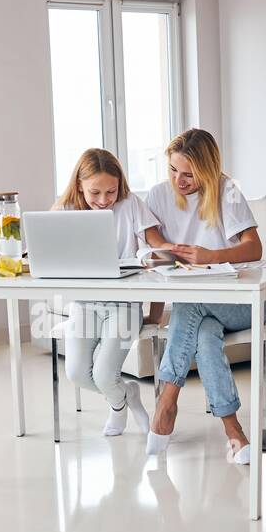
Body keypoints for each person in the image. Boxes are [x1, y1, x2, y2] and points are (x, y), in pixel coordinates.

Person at [143, 129, 266, 463]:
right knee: (205, 333)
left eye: (188, 173)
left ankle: (166, 403)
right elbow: (152, 241)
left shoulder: (226, 191)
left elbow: (255, 247)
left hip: (245, 303)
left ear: (207, 169)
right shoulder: (157, 196)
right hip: (203, 312)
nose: (178, 181)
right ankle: (234, 432)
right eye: (172, 170)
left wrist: (209, 256)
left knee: (188, 301)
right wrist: (163, 249)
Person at [54, 149, 164, 436]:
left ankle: (117, 408)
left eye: (110, 191)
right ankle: (127, 395)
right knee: (76, 373)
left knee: (104, 375)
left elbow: (159, 247)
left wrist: (152, 257)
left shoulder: (130, 204)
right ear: (79, 185)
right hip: (84, 304)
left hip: (124, 305)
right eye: (95, 192)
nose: (104, 200)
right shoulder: (64, 210)